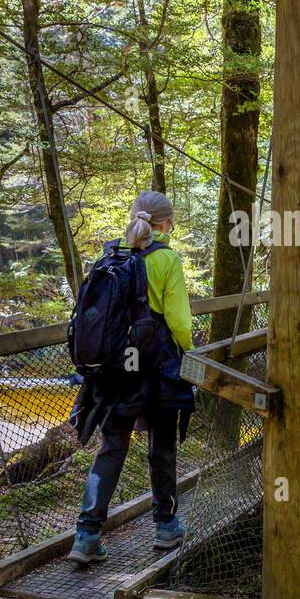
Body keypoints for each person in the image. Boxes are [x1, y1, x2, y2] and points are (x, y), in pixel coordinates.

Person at [68, 190, 194, 566]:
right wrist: (188, 353)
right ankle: (166, 527)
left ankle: (87, 534)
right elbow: (179, 322)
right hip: (157, 368)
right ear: (166, 222)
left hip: (116, 370)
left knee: (112, 446)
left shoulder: (109, 257)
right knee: (162, 445)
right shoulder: (166, 259)